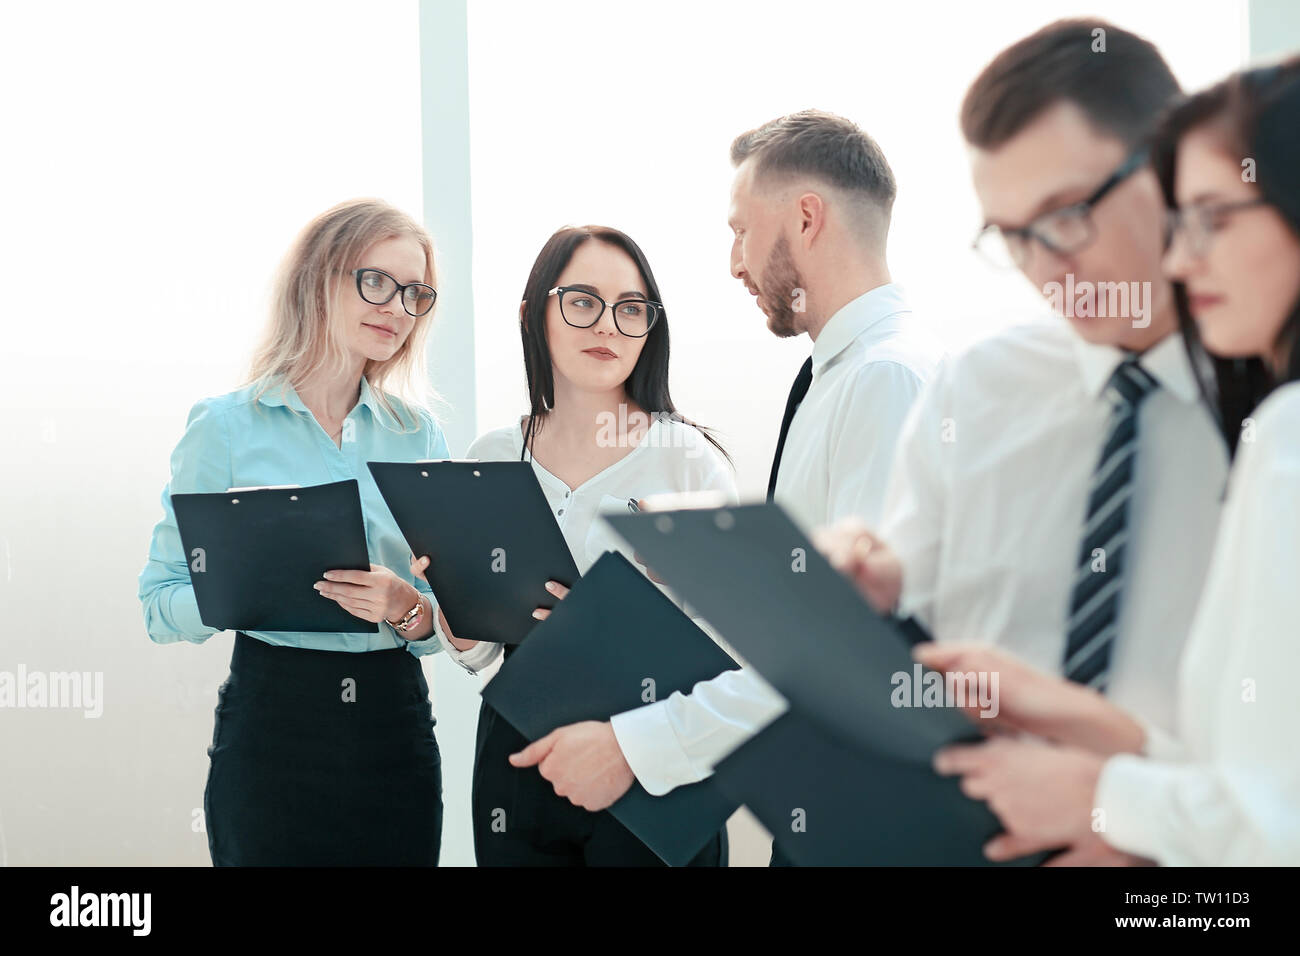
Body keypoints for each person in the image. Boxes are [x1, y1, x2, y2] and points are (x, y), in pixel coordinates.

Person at [497, 111, 944, 868]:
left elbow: (844, 646)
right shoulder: (836, 377)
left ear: (806, 217)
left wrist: (637, 748)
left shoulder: (883, 379)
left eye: (741, 229)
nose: (734, 262)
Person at [820, 21, 1229, 806]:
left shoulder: (1271, 410)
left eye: (1069, 212)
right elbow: (915, 626)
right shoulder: (975, 389)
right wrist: (870, 583)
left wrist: (1142, 811)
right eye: (1013, 236)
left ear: (1177, 163)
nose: (1047, 264)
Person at [927, 58, 1300, 867]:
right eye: (1013, 236)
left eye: (1210, 217)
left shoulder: (1285, 439)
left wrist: (1101, 802)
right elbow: (1254, 778)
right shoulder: (973, 388)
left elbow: (1273, 824)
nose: (1179, 259)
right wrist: (1091, 730)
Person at [138, 199, 450, 866]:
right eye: (376, 282)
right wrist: (237, 587)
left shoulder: (417, 435)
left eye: (415, 293)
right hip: (272, 723)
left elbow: (446, 619)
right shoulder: (224, 428)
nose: (397, 308)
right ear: (317, 279)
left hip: (395, 726)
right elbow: (160, 603)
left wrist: (408, 610)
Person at [420, 224, 738, 866]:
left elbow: (739, 646)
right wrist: (461, 627)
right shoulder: (492, 457)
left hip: (650, 757)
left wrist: (619, 624)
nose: (609, 327)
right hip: (520, 755)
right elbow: (483, 652)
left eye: (631, 310)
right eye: (583, 301)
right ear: (533, 314)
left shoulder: (687, 463)